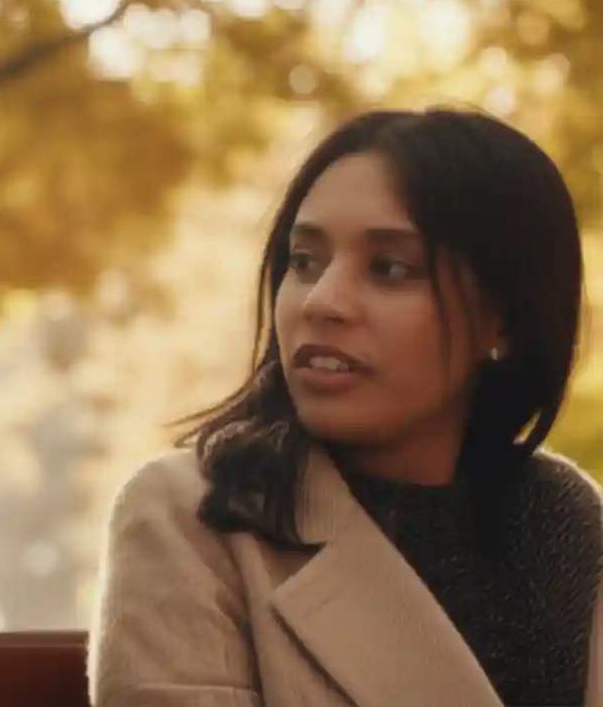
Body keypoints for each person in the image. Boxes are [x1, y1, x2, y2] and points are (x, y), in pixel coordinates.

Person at [89, 109, 603, 706]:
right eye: (304, 261)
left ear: (503, 319)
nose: (323, 301)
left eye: (390, 269)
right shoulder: (194, 515)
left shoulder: (563, 520)